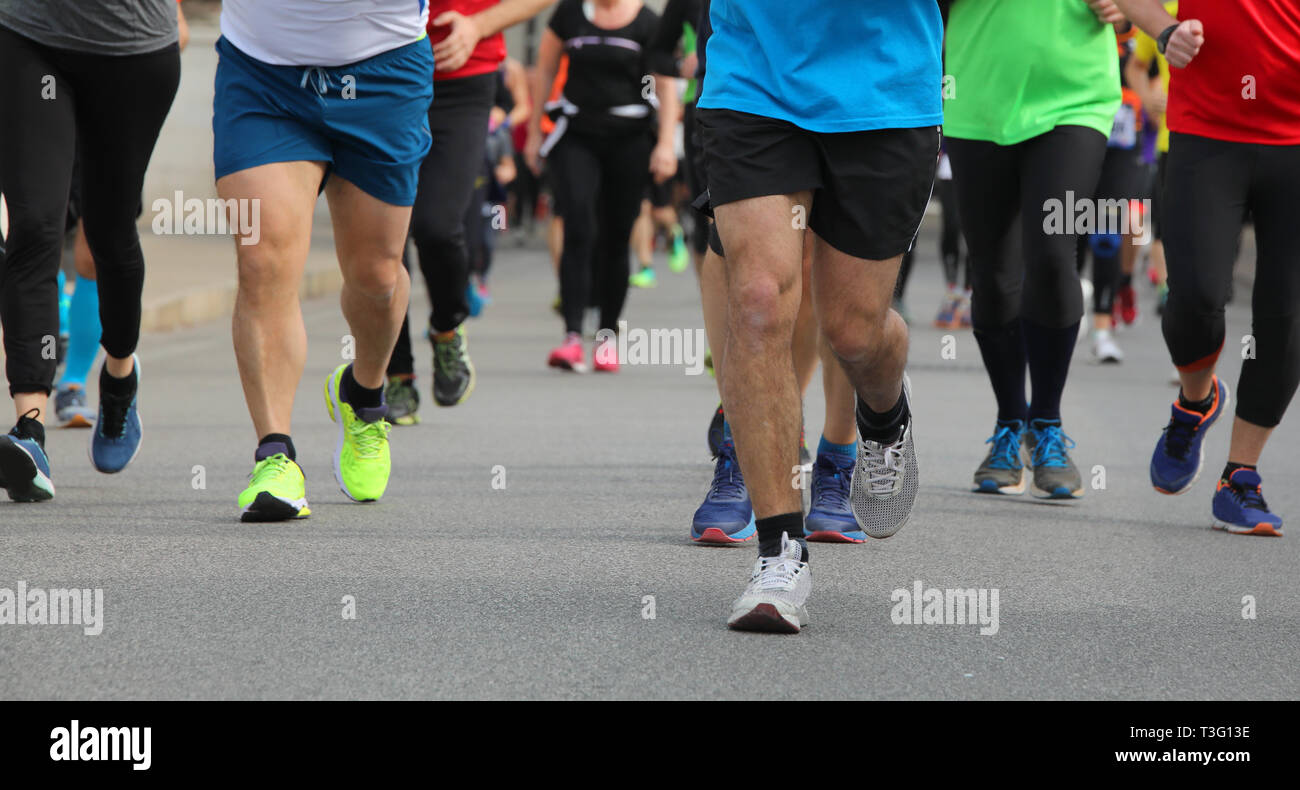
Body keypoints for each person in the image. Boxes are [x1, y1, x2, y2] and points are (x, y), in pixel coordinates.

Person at [698, 0, 941, 632]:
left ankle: (884, 416)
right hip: (755, 75)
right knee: (756, 301)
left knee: (854, 332)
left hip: (884, 85)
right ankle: (781, 551)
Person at [215, 0, 435, 521]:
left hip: (385, 70)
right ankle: (275, 456)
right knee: (261, 260)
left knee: (377, 274)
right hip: (262, 69)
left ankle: (364, 394)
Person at [1118, 0, 1300, 537]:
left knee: (1285, 314)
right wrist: (1165, 28)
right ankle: (1196, 402)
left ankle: (1240, 478)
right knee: (1195, 295)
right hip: (1208, 131)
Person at [0, 0, 181, 502]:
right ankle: (30, 432)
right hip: (30, 34)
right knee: (35, 225)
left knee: (108, 233)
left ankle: (119, 375)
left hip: (133, 48)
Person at [944, 0, 1123, 499]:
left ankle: (1047, 424)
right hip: (977, 94)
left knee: (1051, 252)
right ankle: (1009, 423)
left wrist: (1128, 11)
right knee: (994, 274)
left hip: (1076, 95)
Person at [385, 0, 555, 426]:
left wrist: (479, 24)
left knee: (437, 227)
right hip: (377, 79)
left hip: (462, 78)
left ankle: (446, 328)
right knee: (383, 239)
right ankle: (395, 371)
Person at [526, 0, 678, 373]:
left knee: (616, 236)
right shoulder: (569, 14)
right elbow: (544, 71)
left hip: (631, 137)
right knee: (577, 226)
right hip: (577, 134)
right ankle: (573, 336)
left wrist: (665, 144)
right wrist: (533, 133)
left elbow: (666, 85)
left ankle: (607, 337)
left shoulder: (647, 22)